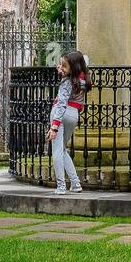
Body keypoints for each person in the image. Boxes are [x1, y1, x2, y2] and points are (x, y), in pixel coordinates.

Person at [47, 50, 91, 195]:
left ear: (74, 67)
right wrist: (67, 63)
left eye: (64, 66)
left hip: (61, 114)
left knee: (57, 151)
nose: (60, 68)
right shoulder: (83, 79)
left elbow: (61, 104)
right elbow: (84, 58)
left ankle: (61, 186)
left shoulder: (67, 81)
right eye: (60, 64)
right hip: (73, 116)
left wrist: (54, 126)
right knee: (63, 149)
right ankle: (76, 183)